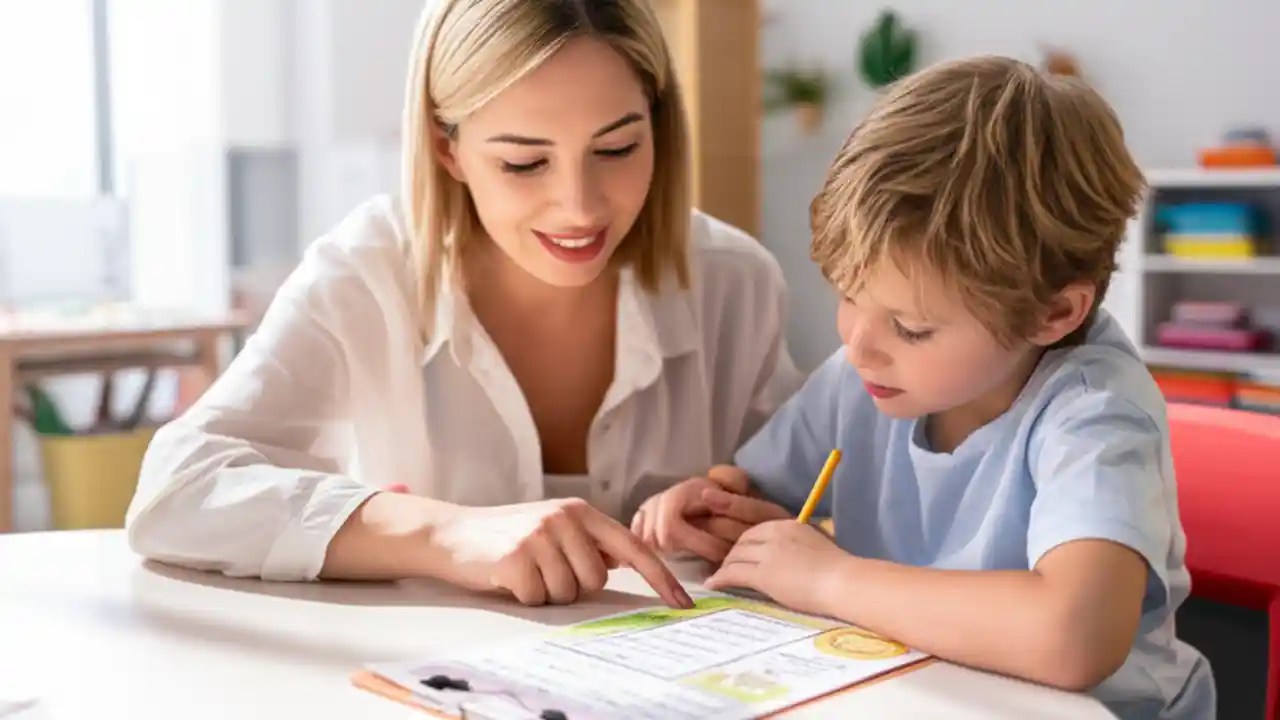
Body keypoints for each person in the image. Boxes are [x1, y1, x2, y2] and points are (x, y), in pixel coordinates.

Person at [125, 0, 801, 610]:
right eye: (524, 163)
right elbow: (173, 493)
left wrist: (733, 513)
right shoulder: (367, 273)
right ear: (448, 147)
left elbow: (803, 499)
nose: (581, 205)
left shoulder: (734, 282)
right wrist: (447, 533)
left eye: (618, 148)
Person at [634, 56, 1215, 718]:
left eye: (910, 327)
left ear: (1051, 315)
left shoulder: (1095, 413)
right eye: (850, 296)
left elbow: (1072, 637)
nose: (857, 344)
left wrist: (831, 577)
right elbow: (761, 498)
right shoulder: (868, 373)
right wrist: (713, 511)